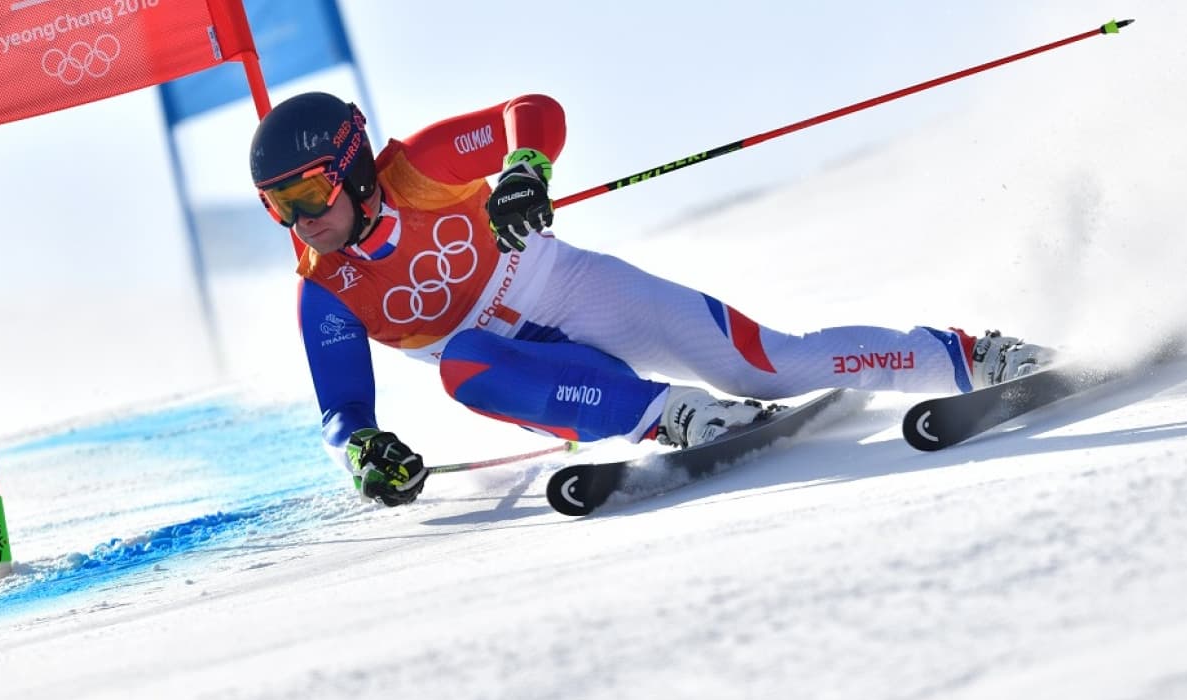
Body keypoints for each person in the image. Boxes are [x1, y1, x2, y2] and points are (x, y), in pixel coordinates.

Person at [248, 92, 1052, 507]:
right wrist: (366, 456)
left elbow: (531, 114)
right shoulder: (325, 290)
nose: (301, 219)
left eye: (307, 192)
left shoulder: (419, 168)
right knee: (462, 364)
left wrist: (526, 168)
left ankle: (974, 357)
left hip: (573, 288)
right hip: (541, 373)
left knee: (770, 366)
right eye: (278, 206)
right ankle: (675, 417)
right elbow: (342, 415)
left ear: (352, 167)